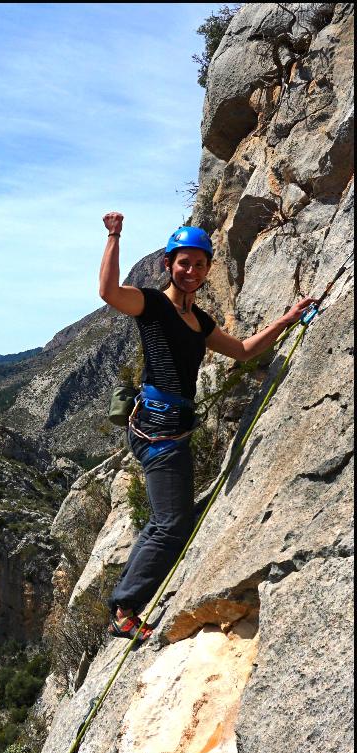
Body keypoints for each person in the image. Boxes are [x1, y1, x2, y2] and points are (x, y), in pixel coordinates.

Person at [96, 211, 316, 642]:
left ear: (207, 268)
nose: (191, 271)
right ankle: (124, 609)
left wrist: (287, 321)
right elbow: (107, 292)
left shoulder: (201, 322)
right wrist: (114, 235)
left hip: (169, 426)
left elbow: (243, 350)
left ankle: (123, 601)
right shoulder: (152, 305)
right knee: (173, 525)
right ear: (169, 265)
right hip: (158, 428)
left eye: (199, 264)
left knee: (165, 521)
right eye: (183, 263)